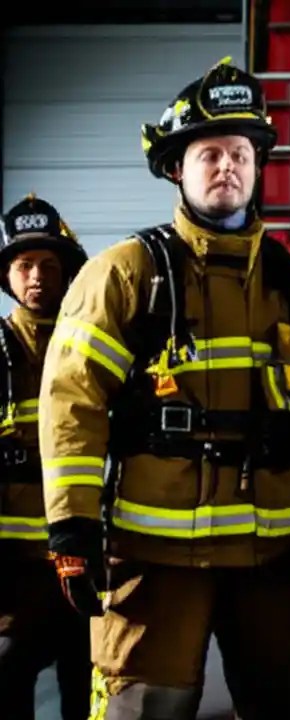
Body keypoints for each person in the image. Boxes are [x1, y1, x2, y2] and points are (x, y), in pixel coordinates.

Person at [38, 57, 290, 719]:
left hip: (272, 560)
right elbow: (73, 404)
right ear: (176, 167)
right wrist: (71, 526)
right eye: (210, 153)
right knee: (147, 708)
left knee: (285, 706)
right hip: (155, 560)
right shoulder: (125, 275)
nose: (228, 166)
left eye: (241, 152)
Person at [0, 194, 90, 719]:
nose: (37, 277)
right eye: (25, 265)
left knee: (86, 675)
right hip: (16, 569)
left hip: (86, 555)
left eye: (50, 266)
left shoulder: (90, 346)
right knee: (11, 671)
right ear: (9, 276)